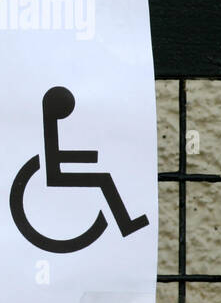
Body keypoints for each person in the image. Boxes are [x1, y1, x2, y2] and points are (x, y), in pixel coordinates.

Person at [40, 86, 148, 237]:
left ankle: (126, 224)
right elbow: (56, 155)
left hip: (55, 167)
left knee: (104, 179)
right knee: (104, 180)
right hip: (55, 171)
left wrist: (88, 156)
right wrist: (88, 157)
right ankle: (126, 224)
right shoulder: (50, 119)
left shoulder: (52, 119)